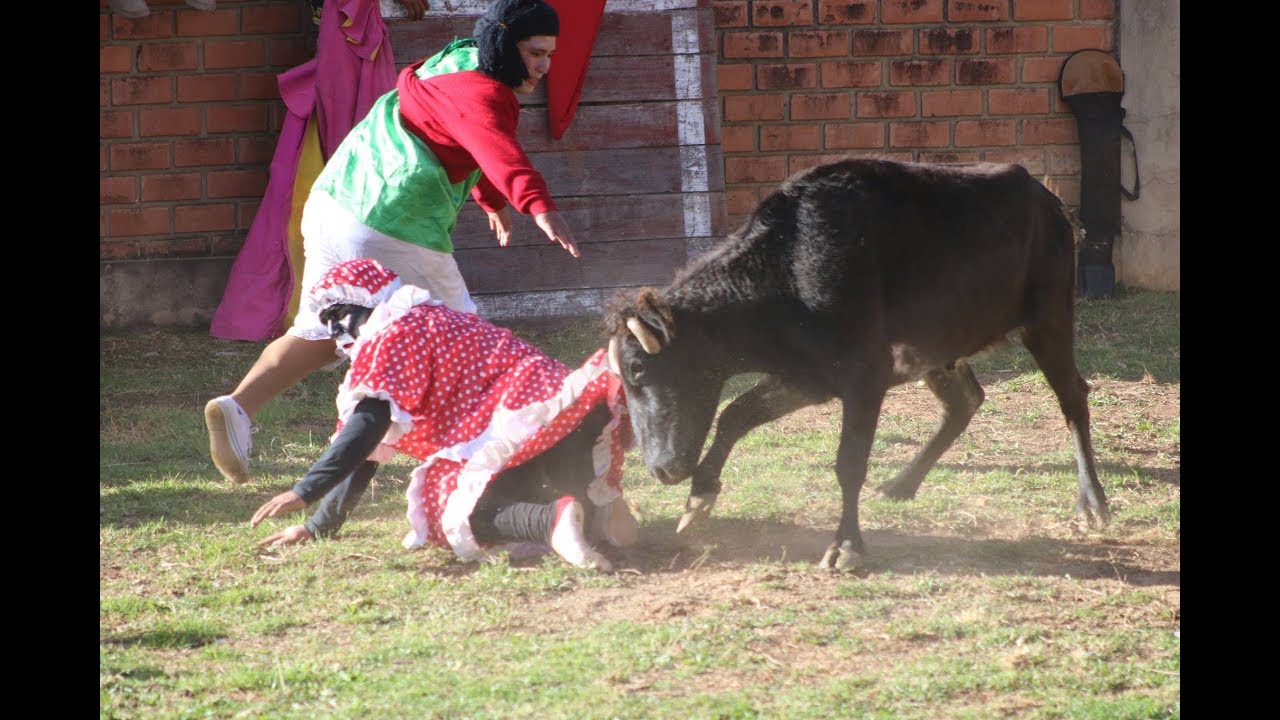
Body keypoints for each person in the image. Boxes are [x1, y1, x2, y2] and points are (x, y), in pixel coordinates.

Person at [205, 0, 582, 484]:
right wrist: (538, 205)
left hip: (334, 203)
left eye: (550, 55)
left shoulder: (456, 59)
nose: (543, 67)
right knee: (463, 341)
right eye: (534, 53)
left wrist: (491, 200)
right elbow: (493, 143)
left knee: (319, 331)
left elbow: (462, 135)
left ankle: (237, 407)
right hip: (390, 226)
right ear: (505, 46)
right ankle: (481, 462)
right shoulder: (484, 91)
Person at [249, 258, 637, 571]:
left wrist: (305, 490)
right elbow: (366, 448)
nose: (336, 332)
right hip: (573, 412)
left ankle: (550, 520)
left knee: (447, 507)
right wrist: (318, 526)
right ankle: (596, 511)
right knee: (506, 487)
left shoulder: (388, 337)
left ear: (366, 302)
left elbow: (366, 428)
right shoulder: (438, 319)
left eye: (338, 315)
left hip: (521, 423)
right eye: (328, 323)